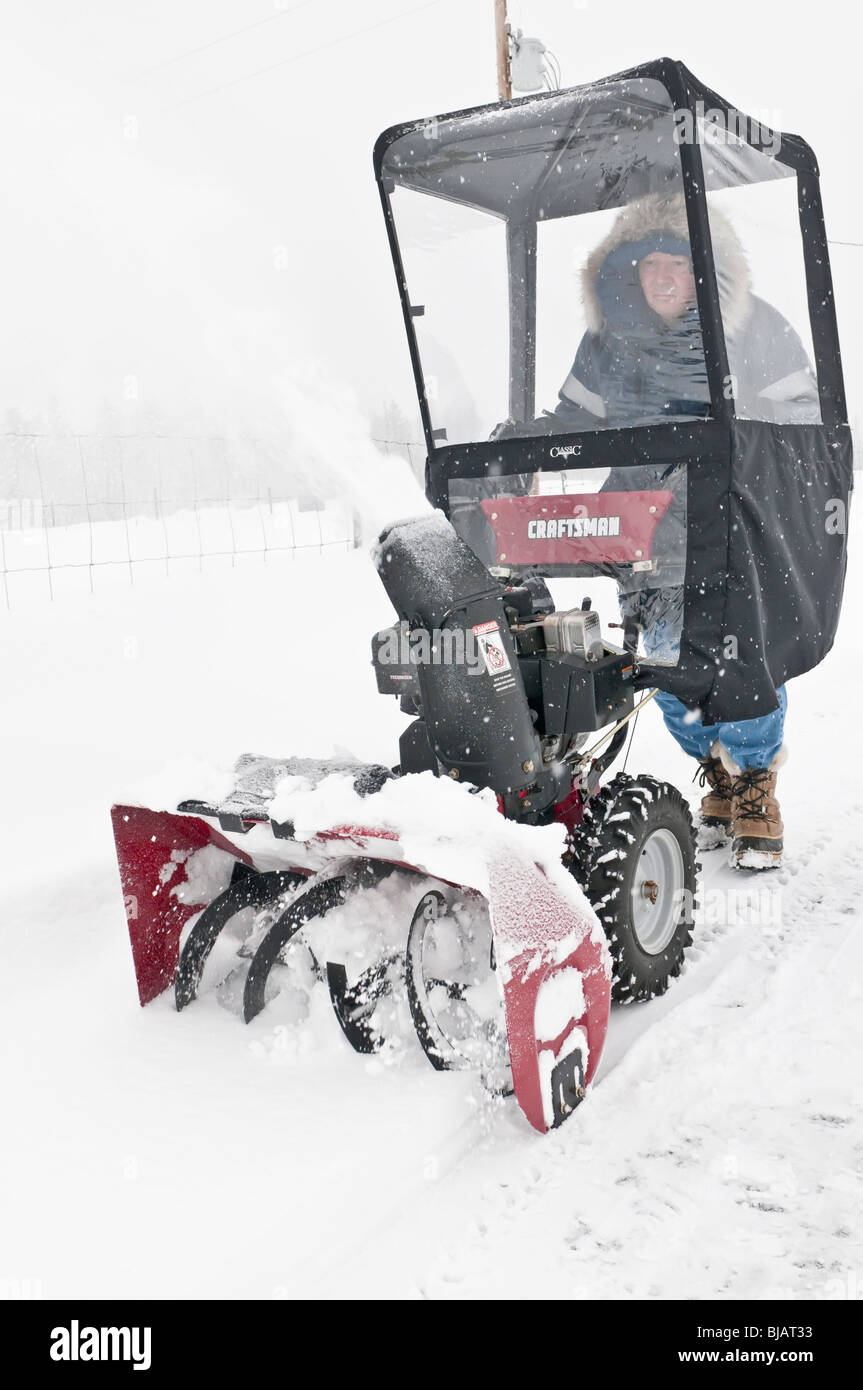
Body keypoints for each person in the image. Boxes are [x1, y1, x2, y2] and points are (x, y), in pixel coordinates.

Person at [552, 194, 819, 869]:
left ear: (706, 269)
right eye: (650, 264)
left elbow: (805, 426)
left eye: (679, 261)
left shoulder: (757, 329)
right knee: (664, 662)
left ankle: (757, 783)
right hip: (645, 529)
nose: (664, 276)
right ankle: (718, 773)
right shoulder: (606, 344)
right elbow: (567, 419)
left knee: (743, 659)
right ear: (627, 271)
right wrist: (513, 447)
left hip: (734, 526)